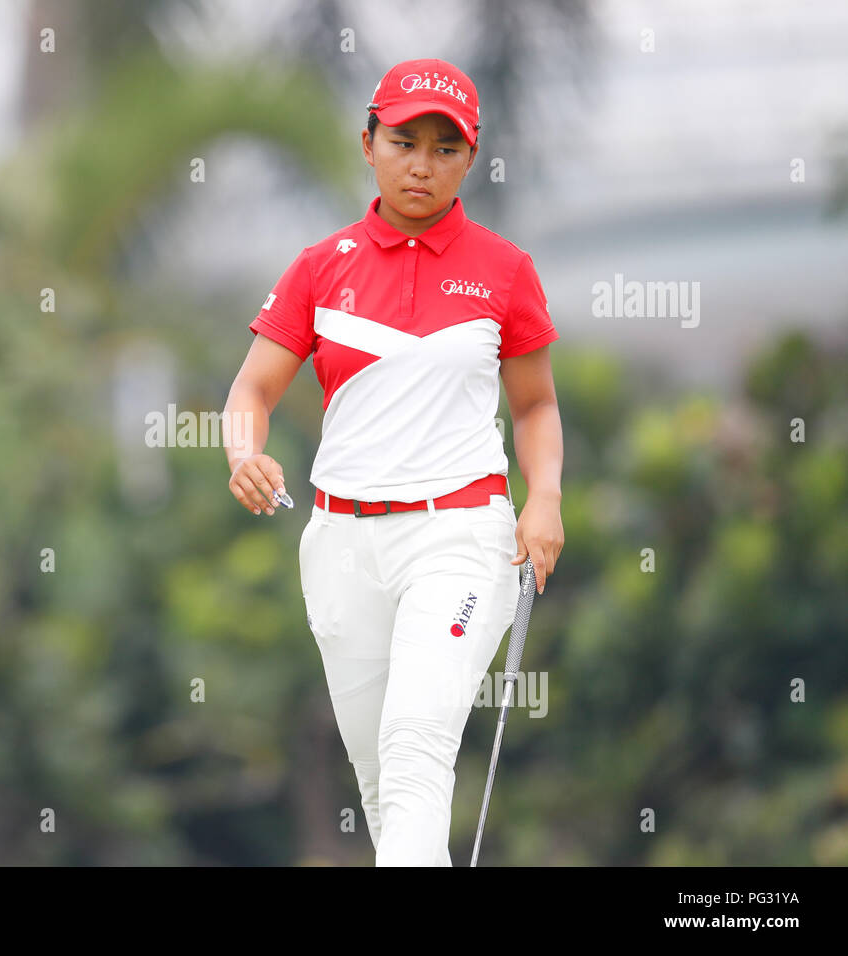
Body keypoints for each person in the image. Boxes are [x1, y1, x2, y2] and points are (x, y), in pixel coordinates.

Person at [222, 58, 564, 865]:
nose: (423, 164)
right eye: (405, 142)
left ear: (470, 159)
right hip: (342, 545)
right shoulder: (321, 266)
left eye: (446, 149)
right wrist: (244, 452)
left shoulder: (504, 270)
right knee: (381, 780)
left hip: (460, 537)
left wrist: (543, 496)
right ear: (368, 142)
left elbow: (536, 406)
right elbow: (252, 391)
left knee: (416, 745)